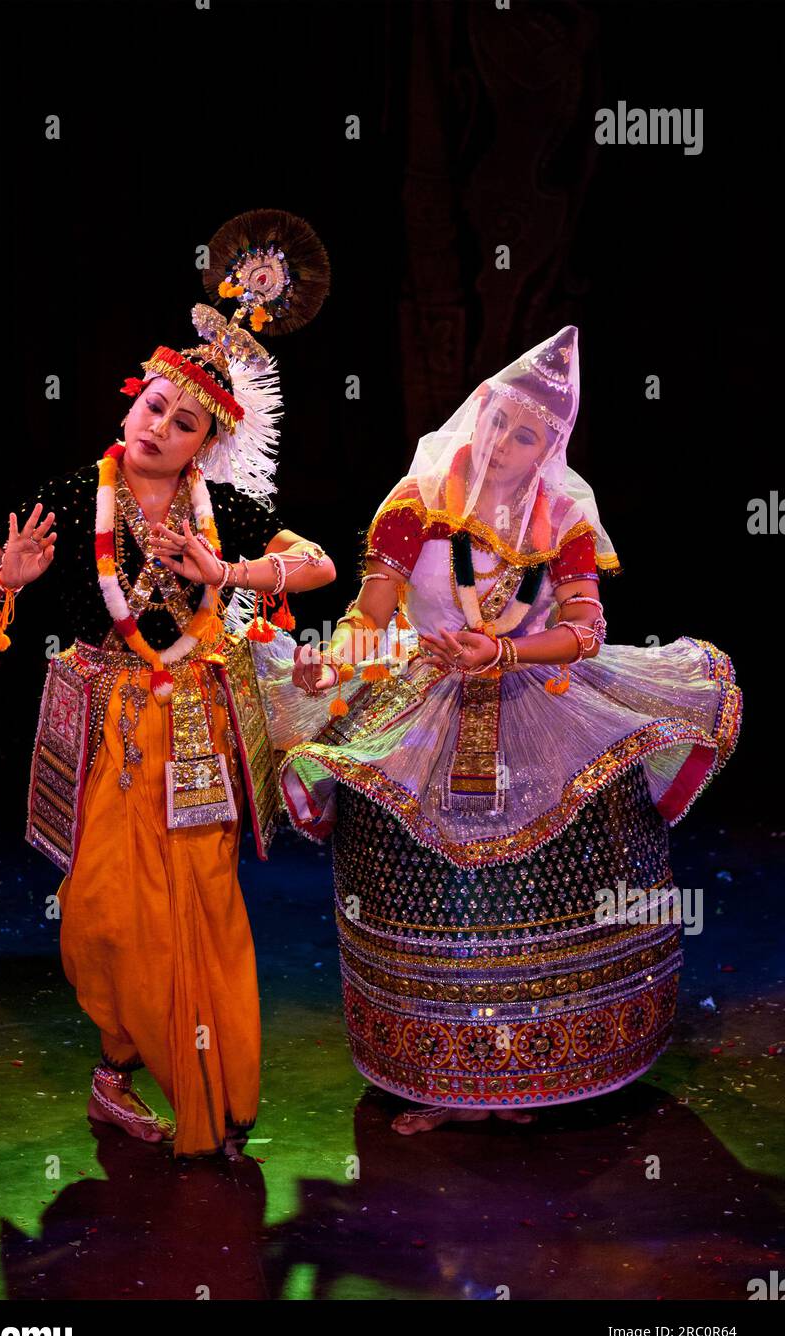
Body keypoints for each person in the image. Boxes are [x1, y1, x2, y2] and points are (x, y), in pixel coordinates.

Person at [272, 325, 742, 1135]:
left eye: (525, 434)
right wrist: (334, 664)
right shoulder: (415, 500)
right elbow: (371, 616)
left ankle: (531, 1071)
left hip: (537, 694)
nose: (502, 442)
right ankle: (439, 1076)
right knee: (425, 886)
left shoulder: (561, 515)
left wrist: (503, 650)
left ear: (547, 447)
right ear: (477, 413)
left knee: (536, 882)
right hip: (419, 700)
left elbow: (588, 631)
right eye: (496, 421)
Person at [0, 212, 335, 1158]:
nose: (160, 425)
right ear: (130, 405)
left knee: (201, 905)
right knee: (102, 918)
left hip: (195, 728)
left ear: (205, 443)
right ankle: (121, 1058)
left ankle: (190, 1097)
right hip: (114, 733)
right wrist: (5, 579)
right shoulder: (78, 497)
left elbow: (320, 565)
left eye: (184, 420)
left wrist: (228, 575)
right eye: (153, 406)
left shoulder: (223, 509)